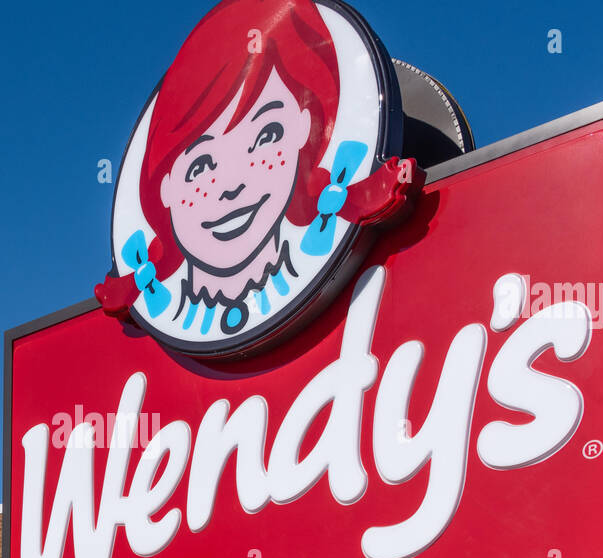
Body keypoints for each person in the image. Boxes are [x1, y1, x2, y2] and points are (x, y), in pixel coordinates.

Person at [96, 0, 416, 338]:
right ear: (164, 186)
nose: (230, 185)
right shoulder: (163, 304)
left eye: (266, 135)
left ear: (304, 129)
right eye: (201, 166)